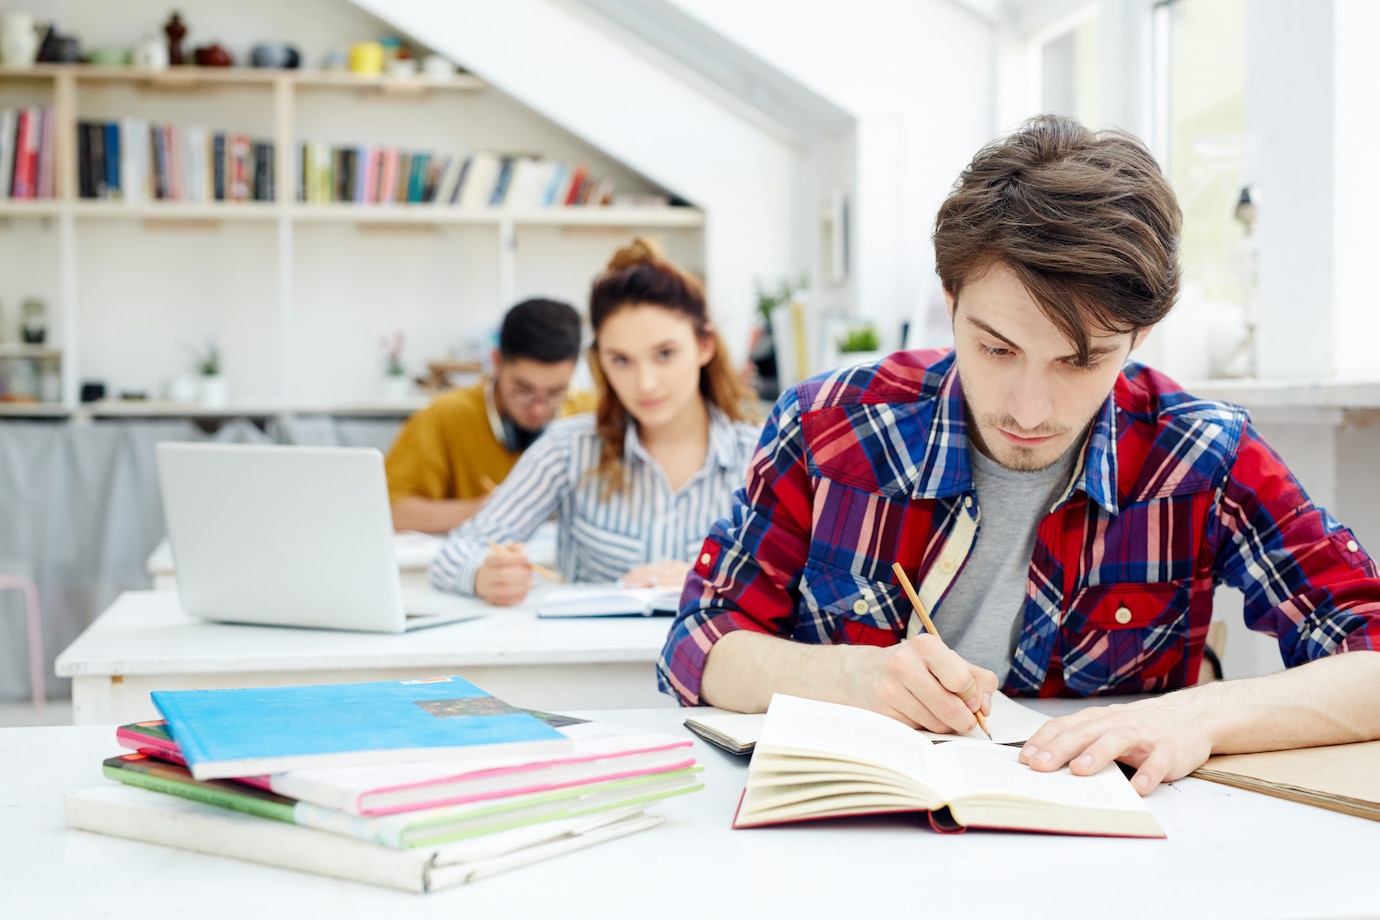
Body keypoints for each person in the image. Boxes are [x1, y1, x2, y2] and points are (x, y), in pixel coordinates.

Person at [657, 114, 1380, 794]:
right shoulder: (827, 427)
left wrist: (1201, 713)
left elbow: (1368, 651)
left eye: (1082, 362)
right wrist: (851, 679)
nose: (1031, 411)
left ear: (1139, 340)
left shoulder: (1201, 453)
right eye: (997, 349)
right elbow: (700, 642)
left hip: (1102, 845)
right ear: (950, 303)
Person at [428, 237, 762, 605]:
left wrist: (712, 581)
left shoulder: (761, 459)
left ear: (704, 346)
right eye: (621, 360)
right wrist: (481, 574)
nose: (644, 383)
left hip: (709, 662)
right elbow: (456, 551)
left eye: (664, 354)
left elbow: (804, 591)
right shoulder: (568, 448)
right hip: (588, 660)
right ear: (599, 361)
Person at [385, 298, 593, 534]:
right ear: (496, 362)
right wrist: (488, 509)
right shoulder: (445, 415)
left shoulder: (594, 416)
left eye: (555, 392)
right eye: (523, 390)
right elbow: (390, 510)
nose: (538, 409)